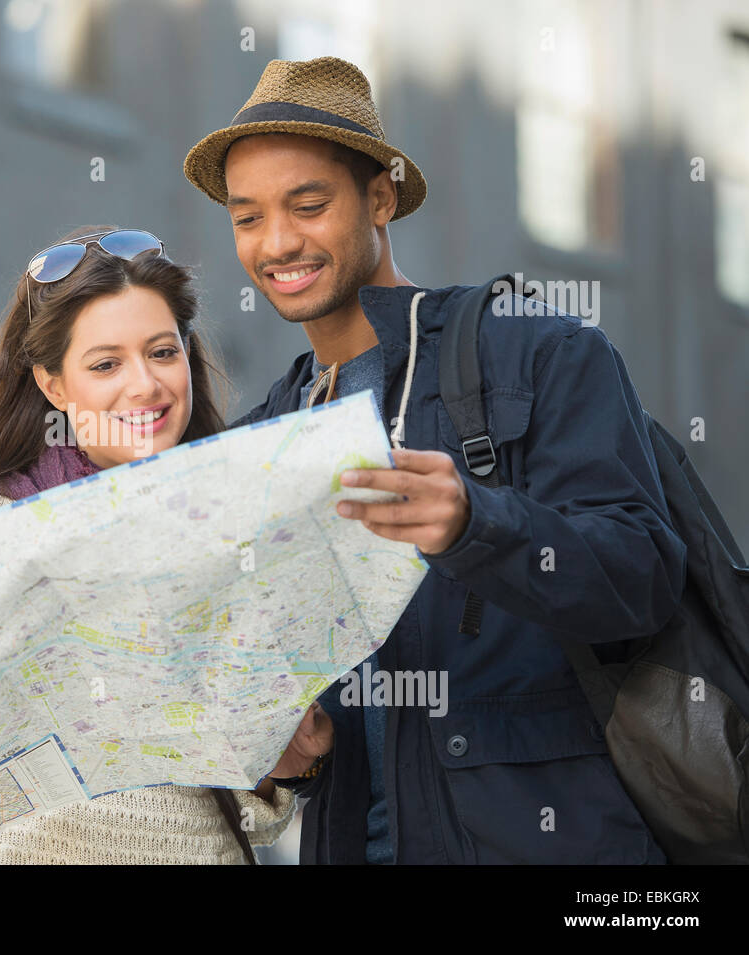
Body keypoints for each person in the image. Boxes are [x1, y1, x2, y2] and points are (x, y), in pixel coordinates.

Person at [182, 56, 685, 863]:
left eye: (308, 204)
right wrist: (287, 746)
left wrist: (478, 525)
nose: (277, 242)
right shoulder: (265, 435)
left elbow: (645, 577)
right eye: (248, 217)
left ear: (381, 196)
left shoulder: (540, 353)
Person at [0, 225, 309, 864]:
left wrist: (288, 758)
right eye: (105, 364)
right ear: (53, 386)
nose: (145, 385)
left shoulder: (231, 537)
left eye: (162, 352)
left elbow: (251, 805)